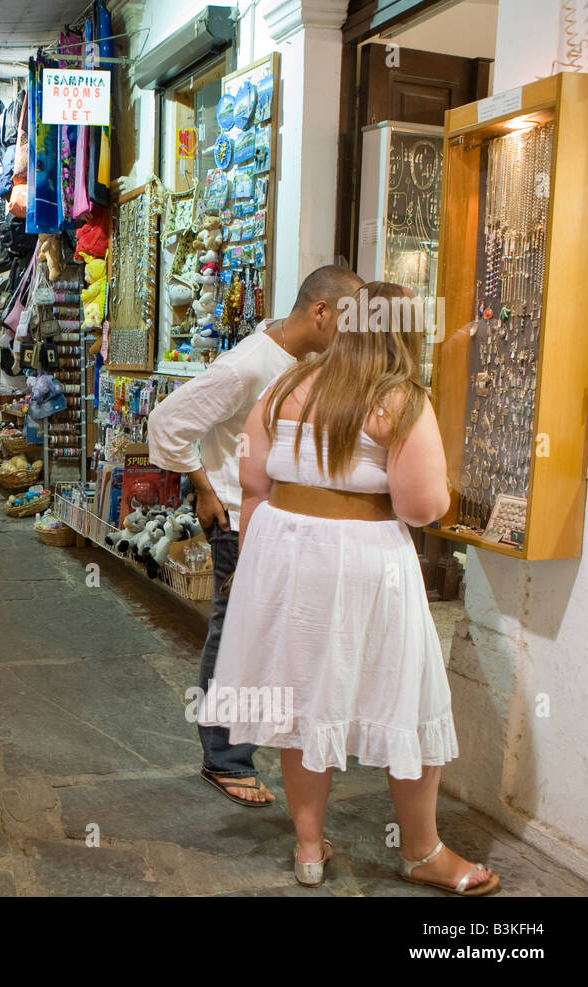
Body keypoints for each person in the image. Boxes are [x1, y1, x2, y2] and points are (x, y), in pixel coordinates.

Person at [203, 281, 496, 895]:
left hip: (282, 552)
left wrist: (257, 568)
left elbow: (253, 483)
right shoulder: (400, 400)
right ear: (403, 334)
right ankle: (420, 850)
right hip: (364, 558)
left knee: (299, 699)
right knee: (406, 696)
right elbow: (420, 506)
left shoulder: (284, 388)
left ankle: (309, 847)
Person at [149, 264, 363, 807]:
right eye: (349, 318)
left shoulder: (302, 358)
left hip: (276, 520)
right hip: (237, 523)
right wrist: (203, 487)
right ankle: (224, 759)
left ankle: (249, 746)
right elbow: (166, 423)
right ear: (321, 312)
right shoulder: (248, 364)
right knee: (234, 633)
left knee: (267, 635)